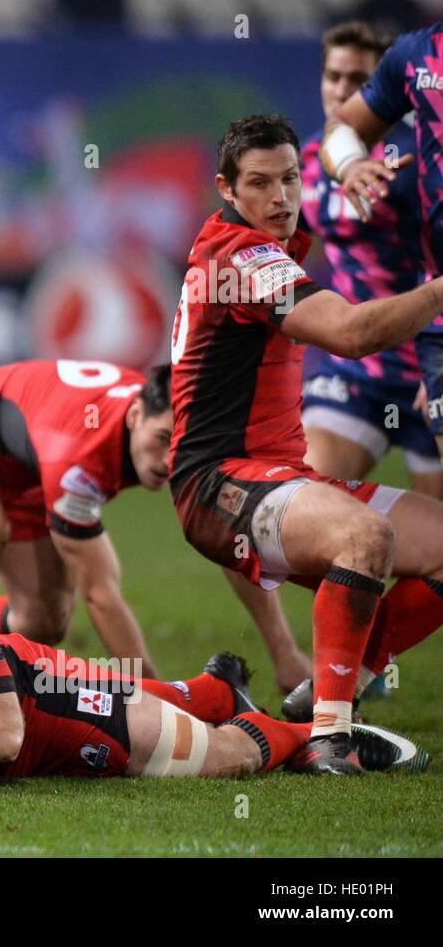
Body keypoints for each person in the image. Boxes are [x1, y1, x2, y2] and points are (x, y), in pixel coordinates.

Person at [0, 469, 428, 790]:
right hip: (17, 664)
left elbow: (1, 733)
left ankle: (317, 738)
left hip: (38, 715)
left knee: (217, 761)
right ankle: (215, 687)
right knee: (146, 688)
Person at [169, 114, 443, 773]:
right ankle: (329, 737)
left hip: (280, 477)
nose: (280, 197)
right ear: (226, 190)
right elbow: (350, 334)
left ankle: (321, 693)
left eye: (289, 178)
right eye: (259, 183)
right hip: (218, 485)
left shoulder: (272, 234)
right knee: (365, 539)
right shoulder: (241, 255)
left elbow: (340, 201)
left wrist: (362, 168)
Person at [0, 359, 308, 683]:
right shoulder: (80, 451)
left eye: (179, 446)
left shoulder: (179, 432)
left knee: (45, 620)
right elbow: (100, 593)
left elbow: (225, 536)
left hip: (30, 472)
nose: (170, 461)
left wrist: (285, 654)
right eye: (161, 439)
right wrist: (159, 697)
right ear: (134, 414)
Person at [300, 21, 441, 497]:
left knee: (437, 555)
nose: (340, 90)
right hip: (358, 370)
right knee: (286, 503)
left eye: (357, 80)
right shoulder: (305, 161)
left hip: (425, 363)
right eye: (332, 76)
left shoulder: (412, 160)